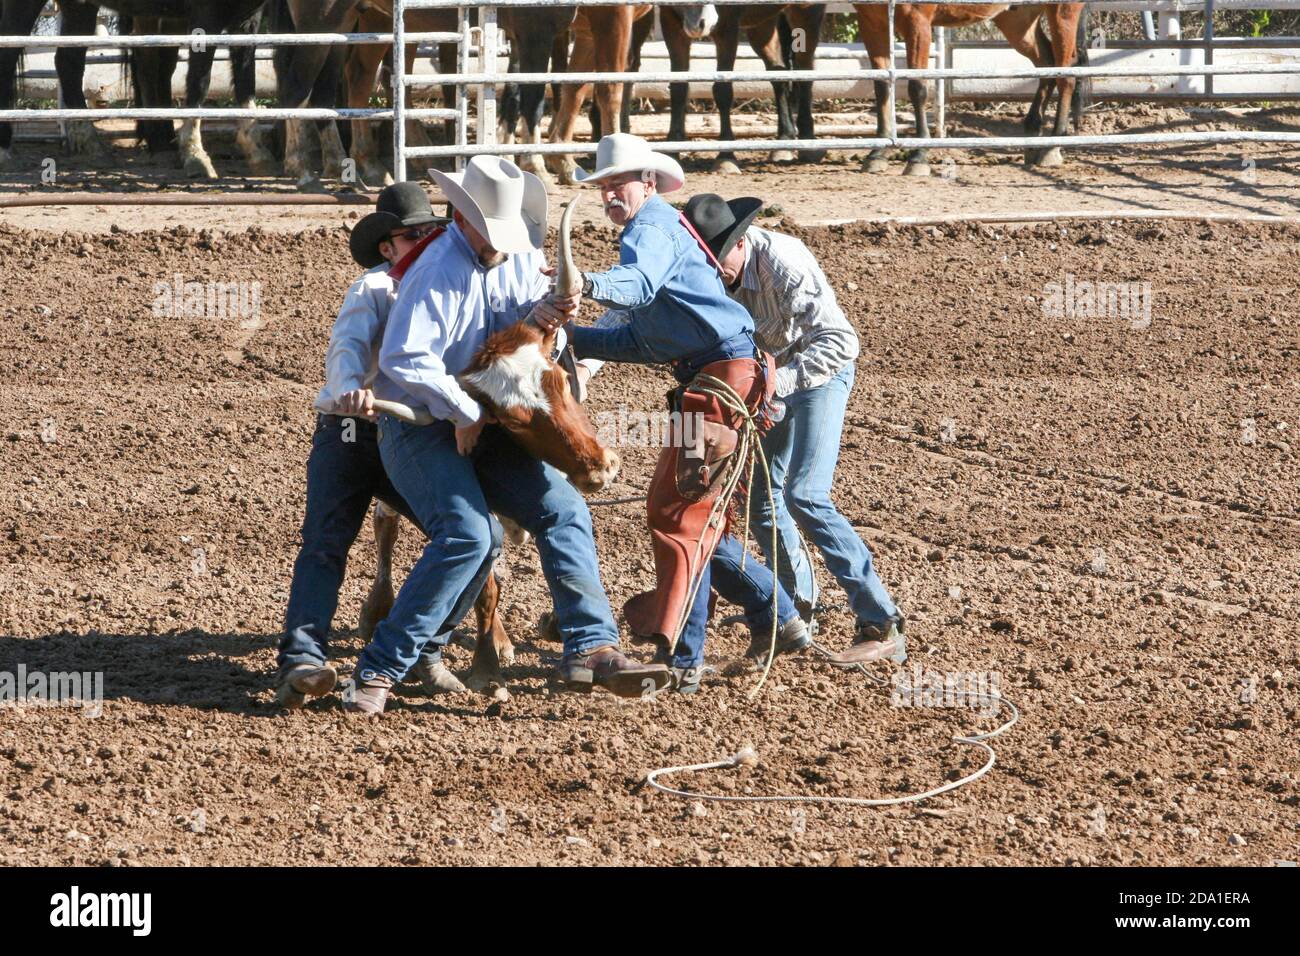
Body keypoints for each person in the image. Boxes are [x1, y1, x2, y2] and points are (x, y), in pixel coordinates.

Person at [347, 155, 670, 715]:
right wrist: (462, 412)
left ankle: (592, 647)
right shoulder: (434, 270)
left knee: (564, 510)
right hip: (421, 425)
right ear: (462, 220)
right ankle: (377, 671)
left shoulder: (519, 255)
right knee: (468, 535)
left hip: (496, 419)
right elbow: (404, 360)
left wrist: (545, 314)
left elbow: (521, 332)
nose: (501, 242)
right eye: (490, 231)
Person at [536, 134, 810, 695]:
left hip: (719, 380)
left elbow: (634, 290)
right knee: (691, 513)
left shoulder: (650, 229)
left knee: (678, 513)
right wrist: (571, 334)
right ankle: (775, 616)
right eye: (604, 185)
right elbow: (646, 341)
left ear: (649, 182)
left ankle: (685, 658)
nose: (611, 192)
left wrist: (584, 284)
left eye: (620, 181)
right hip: (715, 376)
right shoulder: (658, 229)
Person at [277, 182, 496, 708]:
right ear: (387, 246)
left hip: (412, 435)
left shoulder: (448, 282)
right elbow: (347, 346)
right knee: (327, 541)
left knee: (480, 540)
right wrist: (347, 387)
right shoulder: (374, 288)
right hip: (353, 431)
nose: (426, 241)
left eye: (432, 232)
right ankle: (302, 659)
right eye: (413, 234)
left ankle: (425, 648)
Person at [680, 193, 906, 663]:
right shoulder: (707, 272)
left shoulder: (783, 260)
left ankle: (880, 619)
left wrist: (773, 382)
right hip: (774, 378)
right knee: (764, 497)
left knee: (806, 493)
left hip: (821, 371)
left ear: (741, 243)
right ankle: (794, 608)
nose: (717, 271)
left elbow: (840, 341)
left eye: (721, 259)